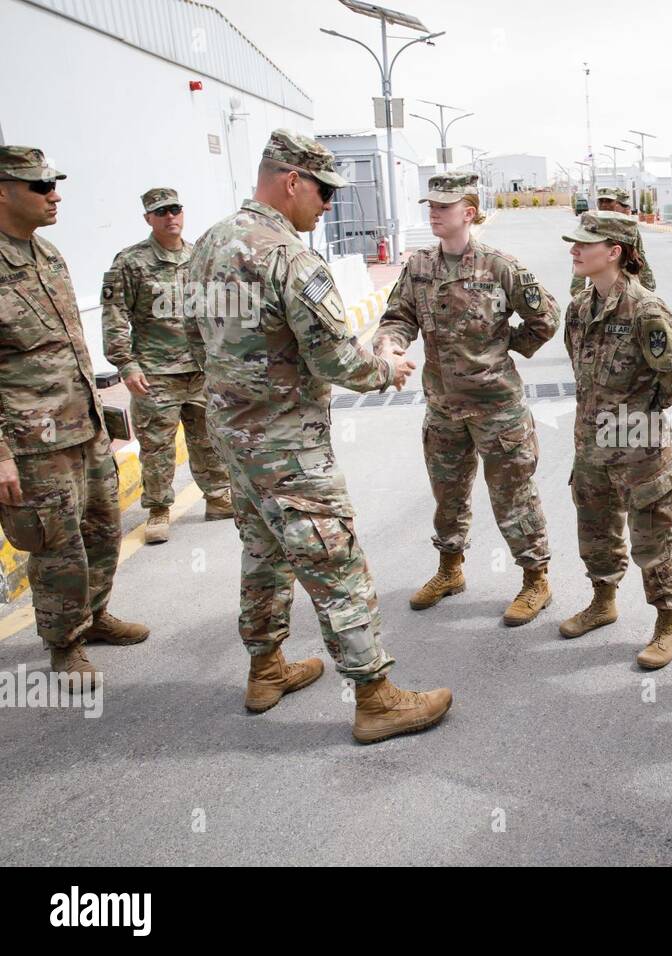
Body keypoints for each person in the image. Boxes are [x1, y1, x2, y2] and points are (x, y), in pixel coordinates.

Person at [188, 129, 451, 743]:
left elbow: (190, 338)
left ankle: (266, 668)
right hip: (286, 445)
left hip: (232, 434)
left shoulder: (208, 243)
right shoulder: (289, 257)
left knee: (264, 553)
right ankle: (376, 697)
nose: (328, 205)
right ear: (291, 182)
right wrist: (388, 369)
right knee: (336, 560)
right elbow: (335, 359)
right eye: (323, 191)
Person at [375, 173, 559, 626]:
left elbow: (546, 317)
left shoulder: (499, 266)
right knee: (448, 496)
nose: (434, 213)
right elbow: (398, 316)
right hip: (443, 408)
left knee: (514, 497)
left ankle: (536, 579)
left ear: (468, 213)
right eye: (430, 206)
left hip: (498, 408)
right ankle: (450, 570)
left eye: (444, 206)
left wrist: (505, 345)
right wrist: (390, 344)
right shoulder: (418, 266)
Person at [0, 146, 150, 685]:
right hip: (32, 444)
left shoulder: (48, 255)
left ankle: (96, 615)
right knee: (55, 546)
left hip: (83, 427)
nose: (55, 194)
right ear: (2, 190)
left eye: (53, 184)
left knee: (103, 530)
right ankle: (63, 643)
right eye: (40, 186)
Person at [558, 211, 672, 668]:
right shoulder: (579, 308)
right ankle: (603, 601)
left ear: (614, 252)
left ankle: (666, 623)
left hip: (640, 451)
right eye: (574, 243)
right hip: (590, 447)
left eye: (585, 243)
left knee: (653, 539)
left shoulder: (645, 310)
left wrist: (638, 412)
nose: (574, 250)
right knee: (596, 530)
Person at [101, 186, 231, 544]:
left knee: (208, 437)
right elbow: (115, 316)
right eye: (161, 212)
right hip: (155, 373)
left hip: (200, 368)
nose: (170, 216)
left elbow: (218, 310)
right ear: (148, 219)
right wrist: (126, 364)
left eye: (175, 209)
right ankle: (159, 509)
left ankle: (218, 496)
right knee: (157, 446)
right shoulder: (130, 262)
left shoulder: (198, 257)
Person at [570, 186, 655, 295]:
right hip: (600, 285)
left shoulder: (628, 228)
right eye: (601, 201)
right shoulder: (593, 226)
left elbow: (639, 255)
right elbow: (583, 258)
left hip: (626, 285)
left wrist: (648, 286)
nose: (604, 205)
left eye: (609, 201)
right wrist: (578, 291)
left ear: (620, 204)